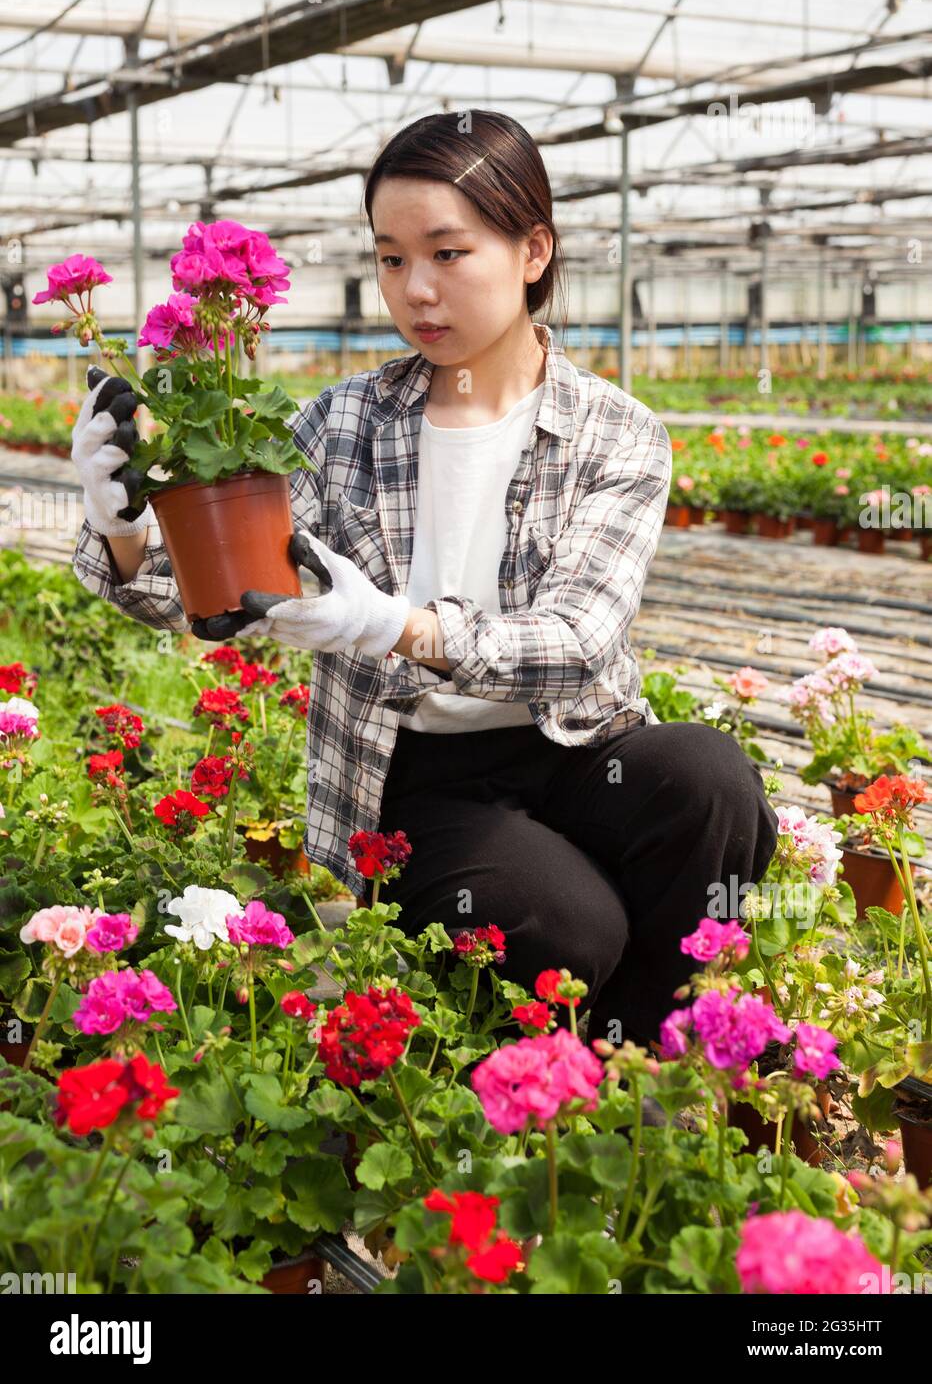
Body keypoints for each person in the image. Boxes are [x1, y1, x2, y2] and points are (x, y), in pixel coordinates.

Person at [71, 109, 778, 1050]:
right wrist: (125, 526)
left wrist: (396, 626)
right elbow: (217, 598)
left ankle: (648, 1054)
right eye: (392, 258)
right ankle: (560, 1013)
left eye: (448, 253)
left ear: (533, 250)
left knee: (711, 778)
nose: (417, 290)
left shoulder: (616, 432)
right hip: (412, 773)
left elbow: (580, 642)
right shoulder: (343, 423)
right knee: (570, 925)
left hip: (575, 744)